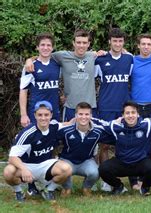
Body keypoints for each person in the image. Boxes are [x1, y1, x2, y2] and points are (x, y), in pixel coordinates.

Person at [98, 101, 151, 196]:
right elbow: (99, 124)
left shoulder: (147, 124)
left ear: (137, 114)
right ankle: (118, 187)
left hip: (140, 163)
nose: (130, 116)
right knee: (103, 169)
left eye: (133, 112)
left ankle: (144, 188)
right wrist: (77, 120)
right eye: (127, 113)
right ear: (123, 115)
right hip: (122, 163)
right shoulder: (115, 126)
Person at [3, 101, 72, 202]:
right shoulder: (28, 133)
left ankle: (48, 190)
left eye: (46, 115)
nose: (43, 118)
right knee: (8, 172)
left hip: (45, 165)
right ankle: (19, 192)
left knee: (67, 169)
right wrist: (24, 169)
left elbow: (68, 124)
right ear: (35, 115)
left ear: (51, 115)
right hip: (27, 166)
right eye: (40, 115)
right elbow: (12, 157)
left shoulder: (54, 126)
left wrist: (81, 119)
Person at [19, 32, 61, 196]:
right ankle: (30, 184)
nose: (45, 48)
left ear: (52, 47)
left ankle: (49, 181)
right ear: (37, 47)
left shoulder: (57, 64)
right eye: (42, 45)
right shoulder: (30, 66)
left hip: (54, 113)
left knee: (51, 145)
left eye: (48, 45)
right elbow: (23, 91)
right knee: (32, 147)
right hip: (36, 114)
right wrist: (23, 114)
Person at [25, 29, 99, 121]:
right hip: (70, 108)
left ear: (88, 44)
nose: (81, 45)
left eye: (84, 43)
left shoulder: (93, 56)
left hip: (90, 108)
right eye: (78, 42)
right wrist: (29, 60)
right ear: (73, 43)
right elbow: (44, 54)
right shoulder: (62, 56)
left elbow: (113, 54)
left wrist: (123, 51)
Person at [94, 28, 134, 191]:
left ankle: (119, 176)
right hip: (106, 107)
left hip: (124, 109)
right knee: (104, 145)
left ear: (123, 42)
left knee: (122, 144)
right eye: (114, 41)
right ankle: (106, 179)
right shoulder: (100, 60)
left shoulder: (129, 59)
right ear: (109, 41)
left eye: (120, 41)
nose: (117, 44)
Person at [57, 102, 112, 197]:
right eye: (80, 114)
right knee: (61, 170)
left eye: (86, 114)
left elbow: (113, 131)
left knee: (95, 172)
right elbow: (51, 137)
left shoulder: (98, 131)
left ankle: (86, 188)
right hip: (68, 161)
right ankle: (67, 188)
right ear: (75, 115)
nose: (83, 117)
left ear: (91, 115)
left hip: (85, 161)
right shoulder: (66, 130)